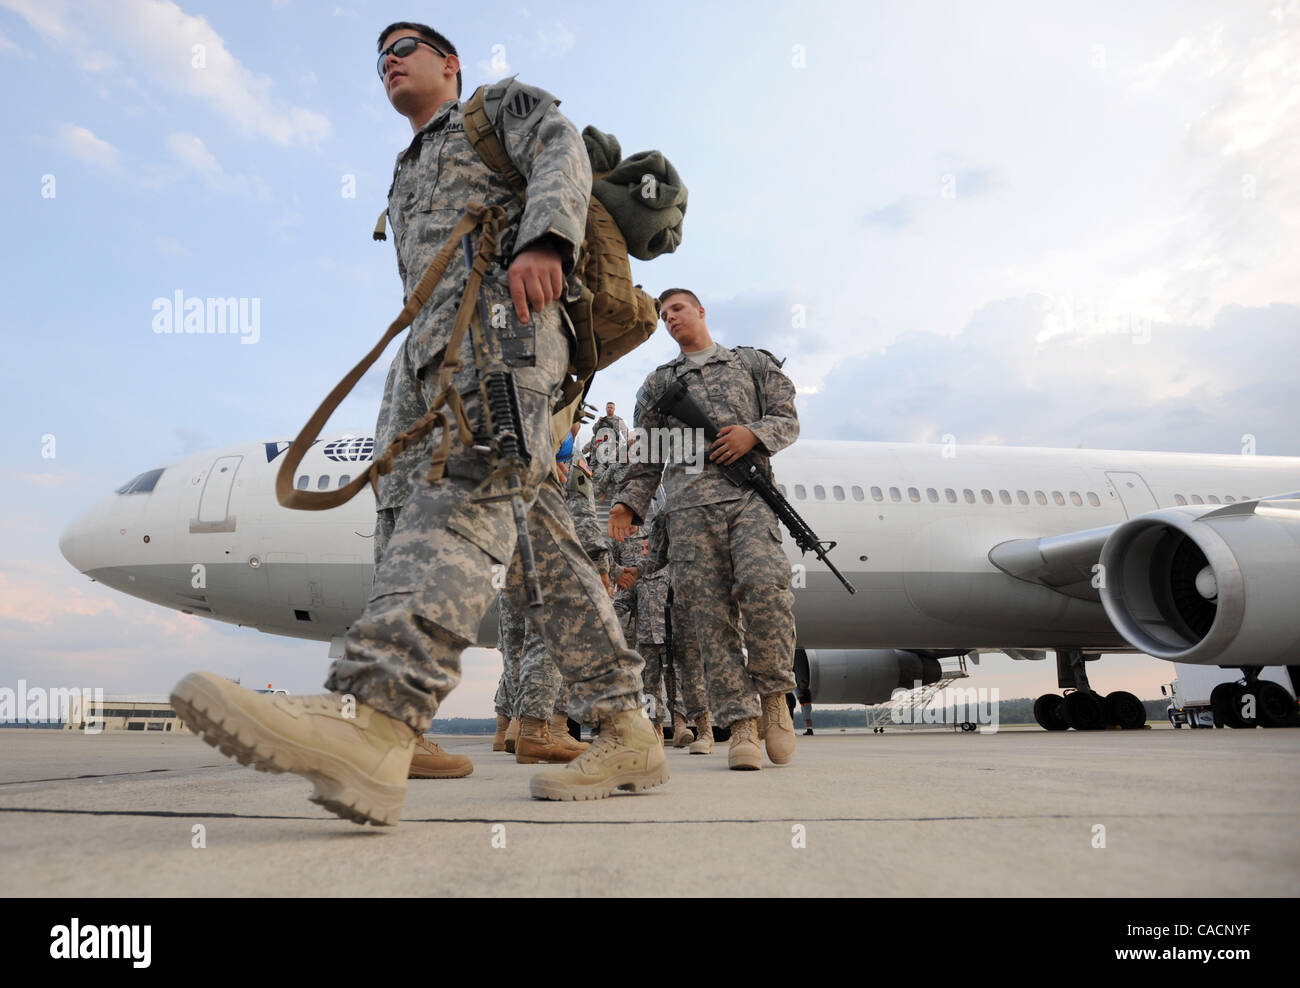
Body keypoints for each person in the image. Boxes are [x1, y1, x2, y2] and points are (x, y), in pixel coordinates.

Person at [170, 21, 665, 825]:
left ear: (451, 64)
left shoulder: (496, 109)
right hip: (433, 363)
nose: (389, 61)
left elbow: (561, 145)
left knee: (473, 487)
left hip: (510, 330)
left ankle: (378, 720)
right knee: (537, 546)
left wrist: (546, 237)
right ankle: (625, 725)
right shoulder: (404, 174)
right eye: (379, 58)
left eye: (407, 47)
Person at [610, 288, 800, 771]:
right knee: (710, 619)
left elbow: (787, 418)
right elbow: (648, 454)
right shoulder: (657, 385)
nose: (670, 318)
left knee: (766, 589)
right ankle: (741, 726)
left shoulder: (751, 364)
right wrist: (628, 503)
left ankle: (775, 698)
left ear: (700, 311)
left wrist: (751, 434)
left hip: (749, 499)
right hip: (689, 511)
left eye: (677, 308)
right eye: (662, 313)